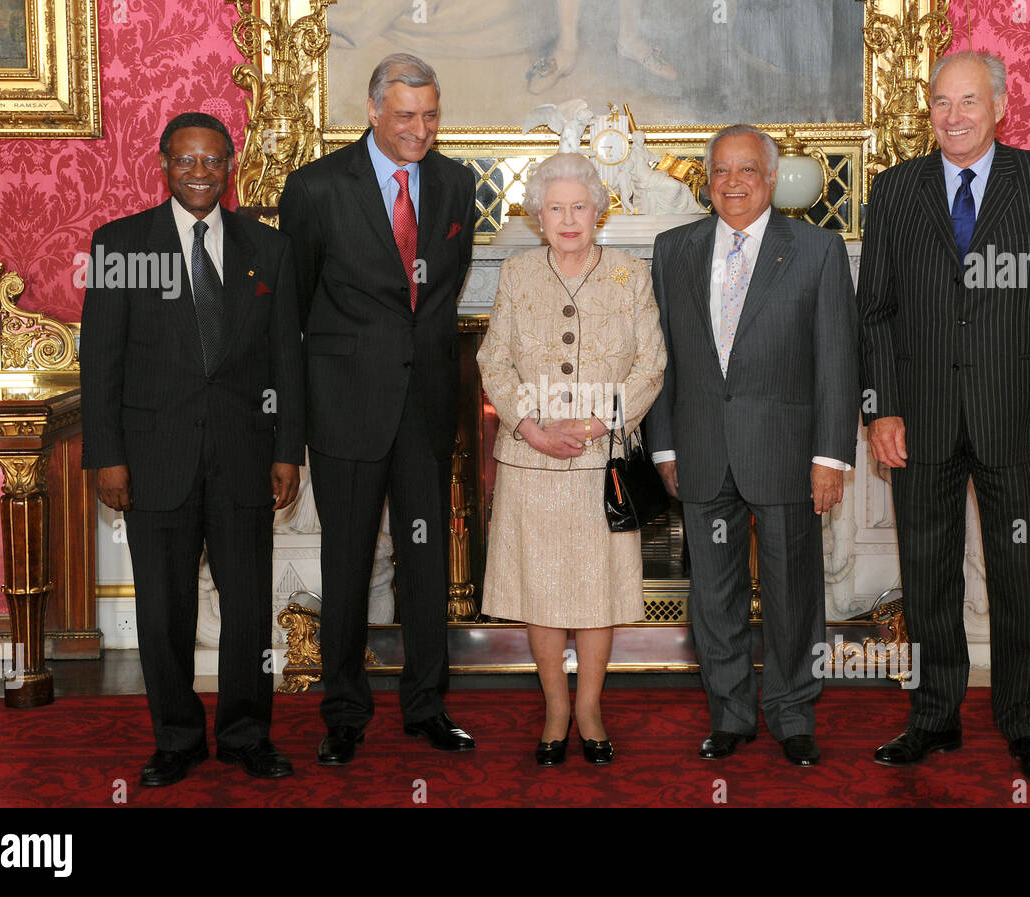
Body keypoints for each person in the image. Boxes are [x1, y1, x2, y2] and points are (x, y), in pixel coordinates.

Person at [857, 50, 1030, 783]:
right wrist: (880, 409)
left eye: (966, 102)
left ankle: (1028, 724)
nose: (951, 117)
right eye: (939, 103)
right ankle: (933, 716)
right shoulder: (895, 190)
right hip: (917, 420)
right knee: (926, 578)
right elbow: (876, 316)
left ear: (999, 107)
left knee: (1021, 573)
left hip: (1016, 418)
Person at [81, 112, 305, 785]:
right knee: (164, 610)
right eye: (186, 160)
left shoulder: (269, 249)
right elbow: (102, 364)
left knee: (246, 609)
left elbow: (285, 362)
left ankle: (245, 734)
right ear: (163, 164)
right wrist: (107, 455)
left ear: (229, 164)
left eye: (212, 160)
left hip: (243, 457)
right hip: (153, 461)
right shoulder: (122, 244)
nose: (199, 172)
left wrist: (288, 447)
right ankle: (176, 738)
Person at [278, 53, 478, 763]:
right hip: (345, 414)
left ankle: (427, 705)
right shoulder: (315, 188)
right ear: (371, 111)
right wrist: (291, 428)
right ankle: (343, 714)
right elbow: (289, 317)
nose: (420, 130)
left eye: (430, 115)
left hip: (425, 414)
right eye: (405, 116)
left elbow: (440, 300)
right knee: (350, 564)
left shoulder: (457, 184)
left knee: (427, 565)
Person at [646, 125, 859, 765]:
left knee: (795, 592)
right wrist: (663, 448)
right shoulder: (672, 249)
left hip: (789, 456)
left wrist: (830, 457)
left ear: (770, 180)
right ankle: (731, 713)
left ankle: (793, 714)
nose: (732, 183)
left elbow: (837, 362)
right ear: (706, 180)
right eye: (720, 172)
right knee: (713, 596)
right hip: (702, 451)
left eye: (746, 171)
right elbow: (662, 360)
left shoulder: (817, 251)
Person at [476, 153, 666, 765]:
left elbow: (651, 363)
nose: (566, 218)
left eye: (578, 206)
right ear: (538, 215)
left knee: (596, 590)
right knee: (543, 587)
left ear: (598, 210)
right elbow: (492, 360)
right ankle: (556, 707)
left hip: (600, 462)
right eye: (554, 207)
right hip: (530, 461)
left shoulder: (629, 274)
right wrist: (529, 427)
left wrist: (596, 421)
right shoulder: (518, 273)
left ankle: (590, 707)